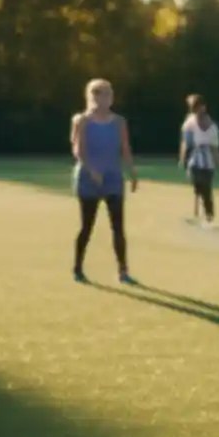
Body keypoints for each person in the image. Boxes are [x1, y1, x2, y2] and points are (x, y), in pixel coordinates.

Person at [71, 78, 138, 284]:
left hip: (112, 178)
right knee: (87, 226)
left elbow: (125, 149)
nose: (108, 98)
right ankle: (78, 268)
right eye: (103, 94)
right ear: (93, 97)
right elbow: (77, 149)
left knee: (118, 227)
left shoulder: (119, 122)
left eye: (110, 94)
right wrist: (92, 170)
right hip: (88, 179)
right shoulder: (82, 120)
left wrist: (132, 172)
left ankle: (123, 270)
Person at [179, 93, 219, 227]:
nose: (195, 111)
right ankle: (198, 194)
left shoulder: (213, 128)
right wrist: (182, 158)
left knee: (207, 189)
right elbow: (185, 142)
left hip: (208, 162)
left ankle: (209, 213)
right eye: (193, 109)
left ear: (203, 108)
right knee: (196, 180)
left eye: (197, 108)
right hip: (195, 158)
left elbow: (215, 148)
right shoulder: (189, 122)